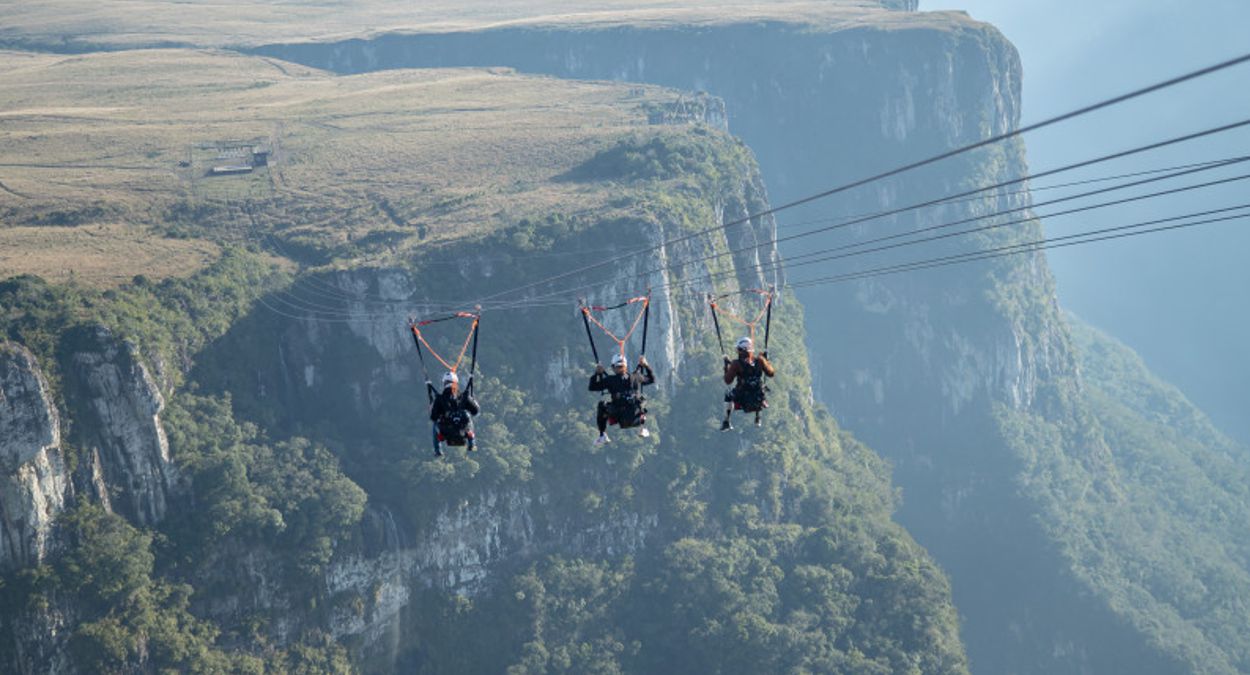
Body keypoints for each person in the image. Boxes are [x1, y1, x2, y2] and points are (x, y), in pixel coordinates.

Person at [588, 352, 655, 445]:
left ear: (613, 367)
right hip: (635, 417)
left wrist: (597, 373)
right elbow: (652, 379)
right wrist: (646, 365)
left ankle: (602, 435)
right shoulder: (636, 376)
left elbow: (592, 387)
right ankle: (642, 428)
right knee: (639, 401)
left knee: (602, 405)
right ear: (626, 366)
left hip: (620, 417)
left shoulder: (610, 380)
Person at [721, 336, 775, 430]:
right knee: (760, 389)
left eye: (739, 350)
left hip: (742, 397)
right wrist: (766, 361)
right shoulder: (760, 361)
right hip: (757, 397)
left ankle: (726, 421)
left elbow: (727, 380)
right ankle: (758, 417)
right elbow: (771, 373)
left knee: (728, 394)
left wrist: (726, 368)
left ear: (744, 350)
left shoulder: (736, 364)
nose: (738, 352)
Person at [429, 371, 480, 457]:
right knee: (468, 417)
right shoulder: (465, 397)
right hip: (463, 431)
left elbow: (433, 417)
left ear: (444, 383)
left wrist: (432, 407)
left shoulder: (439, 399)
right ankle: (472, 443)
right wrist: (473, 401)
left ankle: (438, 450)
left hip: (446, 432)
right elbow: (475, 411)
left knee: (435, 424)